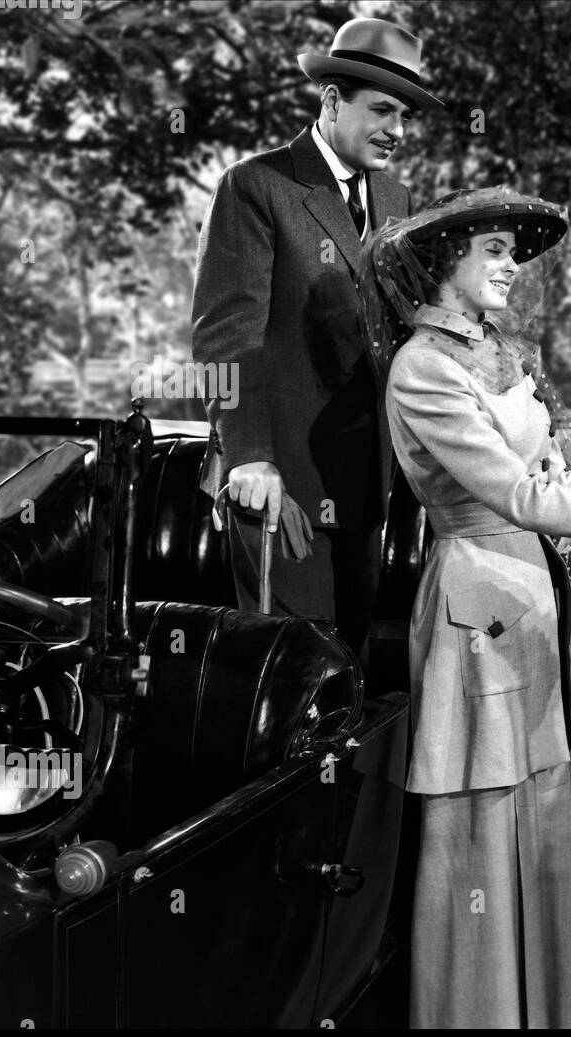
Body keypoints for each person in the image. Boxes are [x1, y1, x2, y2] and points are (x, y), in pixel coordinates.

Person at [358, 186, 571, 1029]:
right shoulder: (422, 368)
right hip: (474, 603)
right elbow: (516, 491)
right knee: (481, 831)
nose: (508, 266)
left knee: (543, 818)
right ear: (444, 261)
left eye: (511, 251)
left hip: (531, 596)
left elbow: (555, 477)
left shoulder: (501, 353)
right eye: (490, 251)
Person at [193, 18, 438, 659]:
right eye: (383, 110)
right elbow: (226, 336)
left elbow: (407, 328)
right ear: (331, 101)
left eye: (405, 115)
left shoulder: (395, 196)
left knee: (348, 670)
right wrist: (248, 456)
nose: (398, 131)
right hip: (279, 479)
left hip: (367, 475)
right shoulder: (256, 186)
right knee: (289, 671)